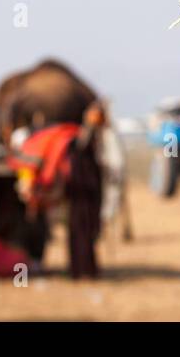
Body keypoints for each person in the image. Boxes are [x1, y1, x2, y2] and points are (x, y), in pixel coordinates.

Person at [65, 104, 105, 279]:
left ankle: (86, 268)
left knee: (87, 230)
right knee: (80, 230)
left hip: (87, 192)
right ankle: (80, 269)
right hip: (81, 191)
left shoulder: (92, 137)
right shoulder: (82, 138)